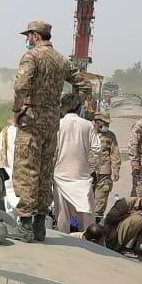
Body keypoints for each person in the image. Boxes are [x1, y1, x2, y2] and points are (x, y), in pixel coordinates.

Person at [10, 20, 91, 242]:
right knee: (45, 172)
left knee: (27, 171)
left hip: (32, 121)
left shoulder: (32, 57)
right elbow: (85, 85)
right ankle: (39, 226)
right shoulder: (61, 60)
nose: (27, 40)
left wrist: (19, 109)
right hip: (52, 122)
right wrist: (65, 107)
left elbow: (20, 86)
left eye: (28, 36)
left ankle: (25, 225)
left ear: (35, 36)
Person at [52, 96, 95, 233]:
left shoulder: (57, 125)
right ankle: (88, 244)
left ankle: (64, 249)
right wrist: (90, 168)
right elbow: (97, 150)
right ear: (78, 108)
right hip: (82, 180)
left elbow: (52, 150)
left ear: (62, 108)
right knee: (87, 220)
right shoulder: (87, 125)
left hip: (60, 178)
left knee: (62, 219)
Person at [101, 190, 142, 271]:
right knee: (137, 219)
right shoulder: (126, 202)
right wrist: (128, 216)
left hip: (129, 242)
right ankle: (124, 248)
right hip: (112, 237)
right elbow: (110, 219)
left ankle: (133, 247)